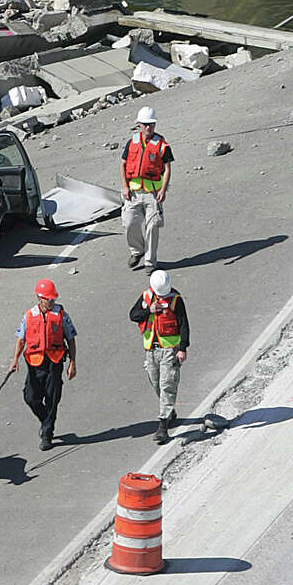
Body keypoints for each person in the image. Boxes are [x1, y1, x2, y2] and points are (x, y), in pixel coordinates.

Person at [9, 277, 77, 450]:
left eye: (53, 299)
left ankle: (47, 434)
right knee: (30, 397)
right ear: (40, 298)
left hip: (54, 362)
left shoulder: (61, 315)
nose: (52, 302)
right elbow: (21, 339)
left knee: (53, 398)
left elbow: (71, 339)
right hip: (35, 363)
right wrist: (15, 359)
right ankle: (46, 420)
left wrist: (72, 363)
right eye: (49, 299)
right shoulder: (29, 316)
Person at [129, 269, 189, 445]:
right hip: (151, 350)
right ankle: (170, 412)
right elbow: (133, 315)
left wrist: (182, 348)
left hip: (169, 350)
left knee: (167, 385)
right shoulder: (146, 297)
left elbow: (184, 324)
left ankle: (163, 426)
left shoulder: (175, 300)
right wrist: (149, 310)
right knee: (156, 383)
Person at [120, 105, 173, 271]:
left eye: (151, 124)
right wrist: (124, 187)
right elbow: (123, 164)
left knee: (152, 227)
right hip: (133, 192)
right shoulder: (132, 142)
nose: (149, 127)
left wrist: (163, 190)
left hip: (153, 194)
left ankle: (150, 262)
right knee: (129, 223)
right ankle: (137, 251)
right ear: (139, 125)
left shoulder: (162, 145)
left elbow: (167, 168)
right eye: (145, 124)